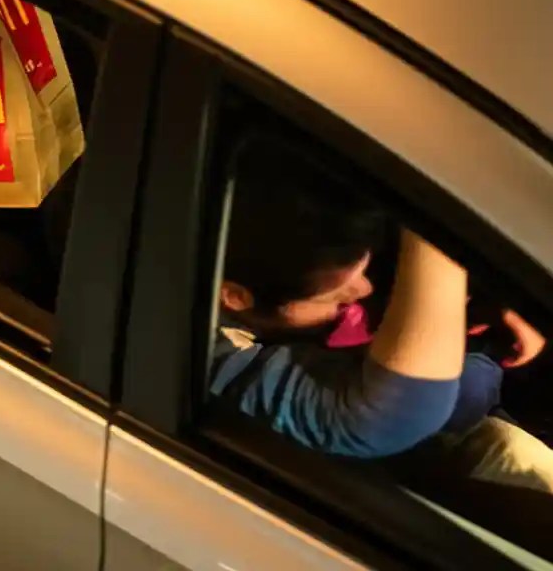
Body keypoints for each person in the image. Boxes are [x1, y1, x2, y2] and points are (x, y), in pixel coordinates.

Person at [213, 140, 553, 490]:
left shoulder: (317, 220)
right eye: (333, 295)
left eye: (363, 269)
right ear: (235, 297)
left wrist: (489, 292)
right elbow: (384, 417)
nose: (363, 289)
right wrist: (436, 219)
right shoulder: (198, 346)